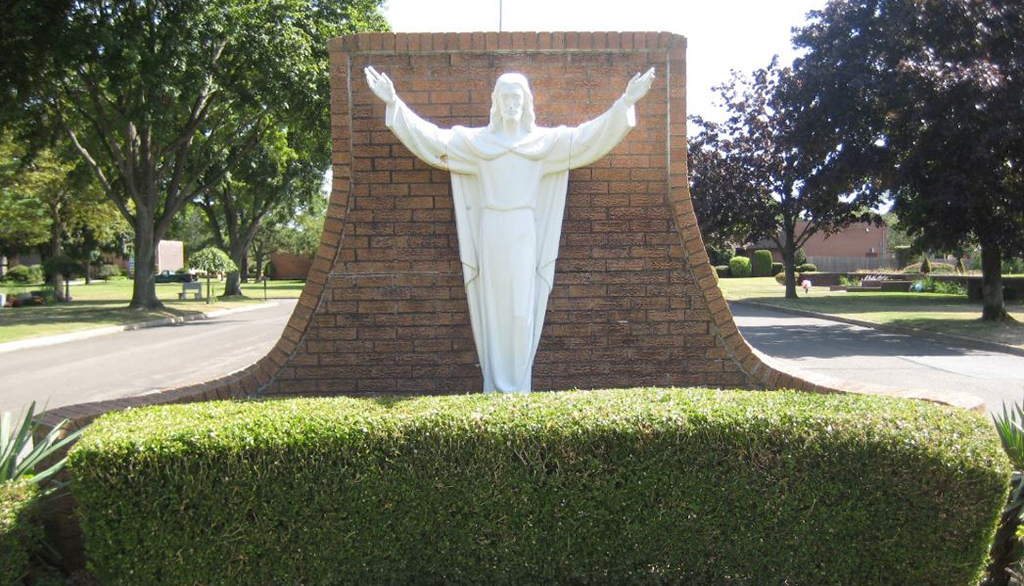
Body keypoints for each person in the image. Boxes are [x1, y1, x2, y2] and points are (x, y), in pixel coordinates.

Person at [365, 66, 655, 393]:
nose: (512, 104)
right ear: (496, 103)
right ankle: (495, 385)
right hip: (491, 230)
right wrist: (395, 104)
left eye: (517, 97)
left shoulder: (543, 143)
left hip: (522, 230)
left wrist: (625, 102)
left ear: (527, 102)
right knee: (493, 308)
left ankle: (517, 386)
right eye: (505, 98)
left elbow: (587, 139)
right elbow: (433, 141)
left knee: (520, 310)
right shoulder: (478, 143)